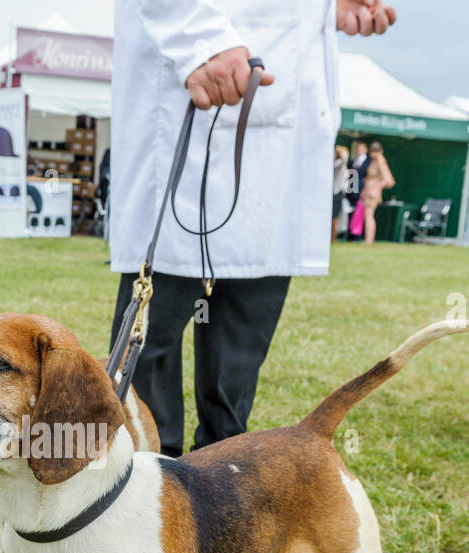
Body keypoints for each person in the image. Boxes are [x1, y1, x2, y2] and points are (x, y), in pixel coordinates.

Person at [109, 0, 397, 457]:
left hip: (278, 132)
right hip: (200, 77)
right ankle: (147, 478)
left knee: (244, 326)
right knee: (154, 335)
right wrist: (200, 38)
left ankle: (221, 475)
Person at [360, 140, 394, 244]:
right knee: (367, 215)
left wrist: (376, 189)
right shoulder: (374, 161)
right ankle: (368, 239)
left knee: (369, 215)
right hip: (368, 192)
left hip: (372, 194)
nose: (373, 153)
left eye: (376, 151)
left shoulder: (380, 161)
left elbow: (389, 181)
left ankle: (369, 240)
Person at [346, 139, 370, 240]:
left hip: (361, 192)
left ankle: (357, 236)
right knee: (350, 213)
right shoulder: (352, 162)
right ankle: (350, 235)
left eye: (360, 148)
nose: (358, 150)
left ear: (365, 150)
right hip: (351, 191)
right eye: (357, 148)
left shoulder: (369, 163)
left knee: (359, 213)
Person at [331, 144, 349, 241]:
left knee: (336, 216)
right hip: (335, 192)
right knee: (334, 216)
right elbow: (343, 159)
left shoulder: (340, 163)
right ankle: (332, 238)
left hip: (338, 191)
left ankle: (333, 237)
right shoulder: (337, 163)